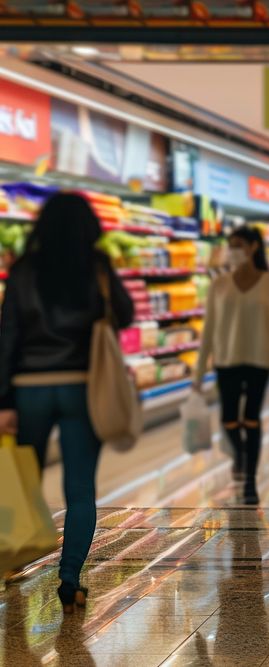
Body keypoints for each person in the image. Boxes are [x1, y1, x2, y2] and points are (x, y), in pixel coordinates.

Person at [0, 193, 134, 614]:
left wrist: (3, 400)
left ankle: (11, 563)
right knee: (79, 489)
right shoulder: (95, 268)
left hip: (30, 389)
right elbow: (126, 314)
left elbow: (7, 338)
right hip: (81, 387)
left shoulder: (23, 270)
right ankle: (70, 578)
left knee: (22, 481)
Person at [193, 225, 269, 506]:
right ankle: (241, 456)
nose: (232, 250)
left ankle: (249, 481)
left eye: (238, 245)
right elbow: (209, 329)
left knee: (251, 418)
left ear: (253, 248)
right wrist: (199, 372)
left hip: (260, 359)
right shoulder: (219, 284)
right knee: (228, 419)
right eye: (230, 245)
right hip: (226, 360)